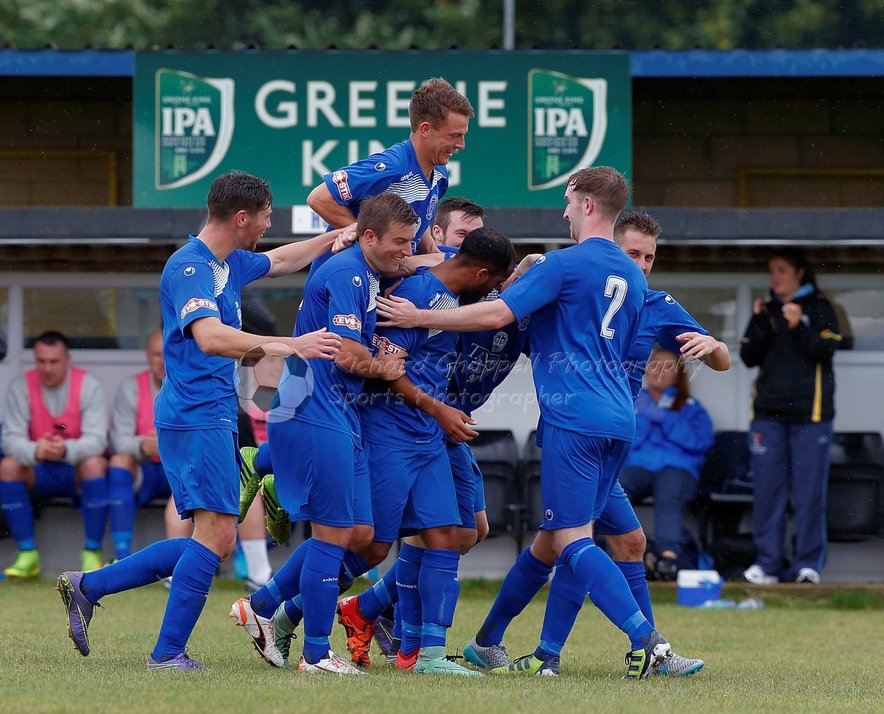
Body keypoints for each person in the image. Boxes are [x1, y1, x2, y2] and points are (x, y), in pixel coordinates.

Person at [378, 167, 687, 679]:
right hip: (619, 420)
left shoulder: (565, 265)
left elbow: (496, 314)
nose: (563, 212)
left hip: (573, 419)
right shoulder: (633, 276)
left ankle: (646, 641)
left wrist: (418, 317)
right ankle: (510, 646)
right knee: (556, 540)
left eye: (567, 202)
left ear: (587, 205)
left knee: (570, 539)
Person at [56, 170, 343, 671]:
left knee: (213, 540)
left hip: (208, 415)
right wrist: (290, 345)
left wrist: (336, 238)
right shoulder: (189, 266)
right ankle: (167, 653)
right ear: (240, 217)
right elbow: (209, 336)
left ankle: (90, 586)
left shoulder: (226, 263)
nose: (269, 225)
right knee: (216, 538)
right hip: (195, 416)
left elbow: (279, 261)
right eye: (266, 217)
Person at [462, 208, 726, 676]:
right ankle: (643, 648)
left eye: (649, 257)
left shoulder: (654, 303)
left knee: (580, 542)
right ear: (610, 249)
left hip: (610, 443)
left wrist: (714, 348)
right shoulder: (573, 291)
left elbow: (721, 358)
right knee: (578, 540)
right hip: (574, 434)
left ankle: (503, 646)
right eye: (633, 254)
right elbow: (504, 321)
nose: (641, 265)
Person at [230, 192, 414, 676]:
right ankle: (316, 653)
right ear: (369, 236)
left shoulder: (368, 269)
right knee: (333, 534)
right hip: (315, 412)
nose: (406, 252)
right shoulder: (347, 272)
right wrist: (384, 365)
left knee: (363, 534)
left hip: (340, 414)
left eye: (410, 242)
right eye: (400, 243)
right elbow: (345, 354)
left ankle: (265, 603)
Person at [335, 227, 515, 675]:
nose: (493, 293)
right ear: (479, 272)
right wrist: (440, 411)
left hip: (428, 438)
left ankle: (429, 655)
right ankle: (285, 608)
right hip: (391, 433)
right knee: (370, 546)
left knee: (446, 536)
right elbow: (389, 369)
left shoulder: (452, 297)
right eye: (492, 283)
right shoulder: (415, 295)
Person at [740, 247, 841, 585]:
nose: (775, 278)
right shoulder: (764, 311)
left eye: (781, 270)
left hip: (810, 418)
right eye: (772, 271)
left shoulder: (821, 307)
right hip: (767, 416)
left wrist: (799, 327)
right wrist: (762, 322)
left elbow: (826, 350)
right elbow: (748, 356)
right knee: (768, 492)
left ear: (799, 273)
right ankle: (768, 564)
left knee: (808, 494)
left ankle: (807, 565)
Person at [307, 77, 474, 260]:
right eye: (454, 136)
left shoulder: (440, 174)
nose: (462, 145)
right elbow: (319, 198)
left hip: (385, 279)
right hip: (344, 279)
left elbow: (418, 220)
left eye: (463, 136)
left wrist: (432, 251)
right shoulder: (394, 167)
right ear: (425, 129)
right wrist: (365, 239)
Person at [0, 330, 109, 578]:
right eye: (41, 361)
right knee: (8, 466)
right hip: (38, 468)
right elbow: (9, 440)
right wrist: (37, 449)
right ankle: (27, 554)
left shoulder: (88, 385)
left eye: (54, 361)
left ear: (67, 359)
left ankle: (92, 552)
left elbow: (98, 439)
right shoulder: (20, 386)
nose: (47, 368)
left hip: (75, 469)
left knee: (95, 464)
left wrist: (66, 449)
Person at [618, 347, 715, 580]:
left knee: (668, 490)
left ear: (678, 374)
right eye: (654, 364)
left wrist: (665, 418)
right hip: (639, 466)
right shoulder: (632, 400)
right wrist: (644, 418)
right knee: (616, 488)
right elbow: (623, 441)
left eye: (667, 366)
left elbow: (700, 442)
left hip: (678, 470)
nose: (658, 370)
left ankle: (667, 559)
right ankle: (614, 552)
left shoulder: (689, 406)